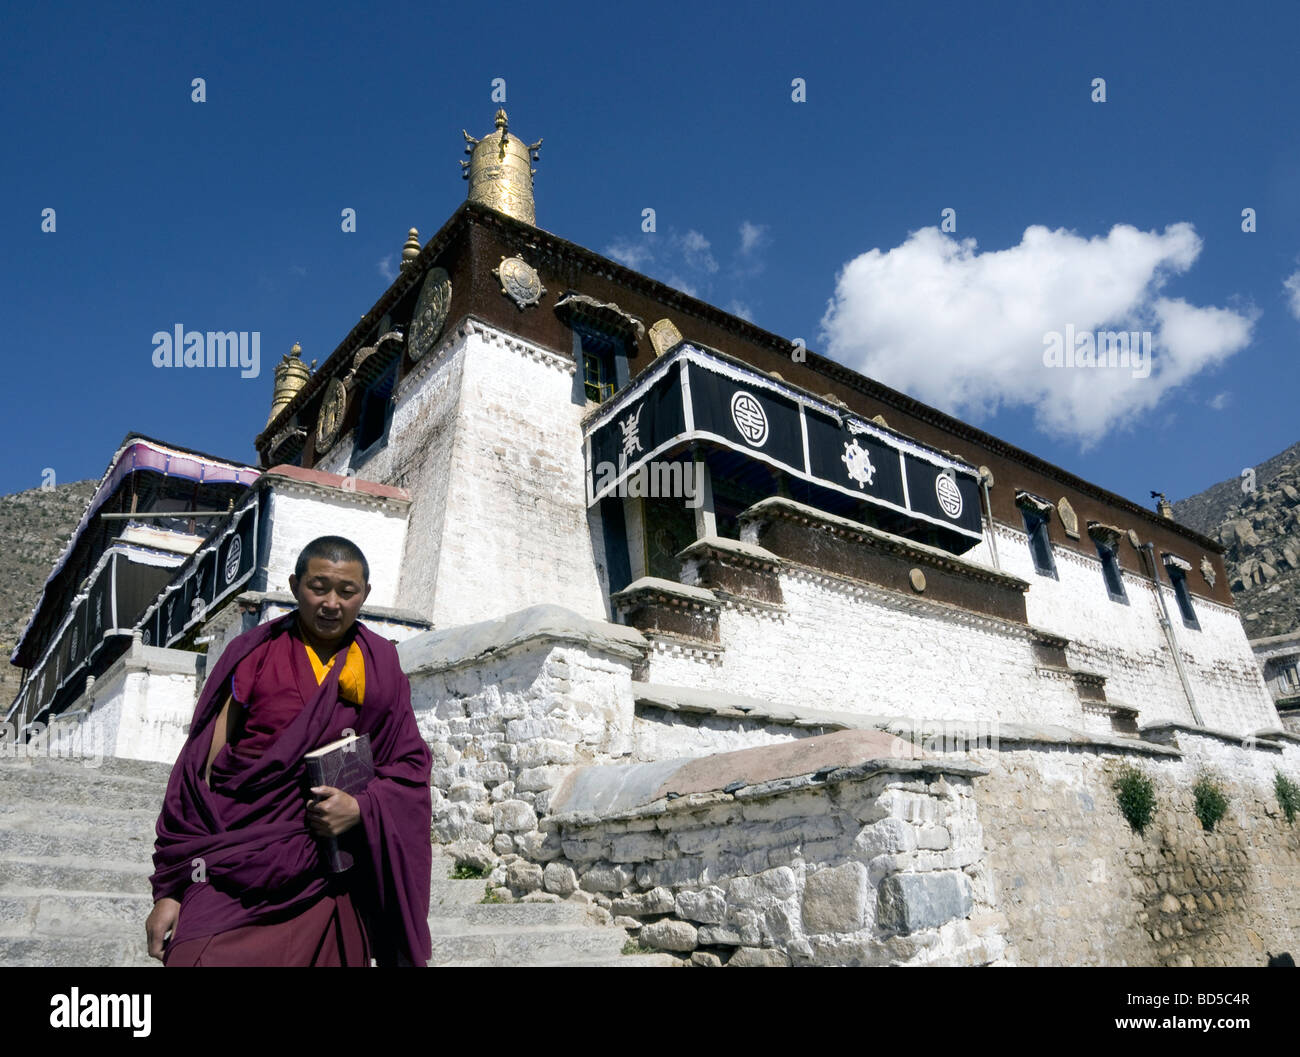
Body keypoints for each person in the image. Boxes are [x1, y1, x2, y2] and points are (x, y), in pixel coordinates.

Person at [144, 535, 432, 966]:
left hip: (327, 876)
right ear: (296, 585)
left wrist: (362, 807)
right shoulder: (255, 655)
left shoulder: (379, 666)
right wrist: (172, 888)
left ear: (365, 595)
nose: (332, 603)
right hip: (234, 866)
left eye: (346, 591)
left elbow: (409, 769)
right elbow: (198, 778)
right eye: (319, 587)